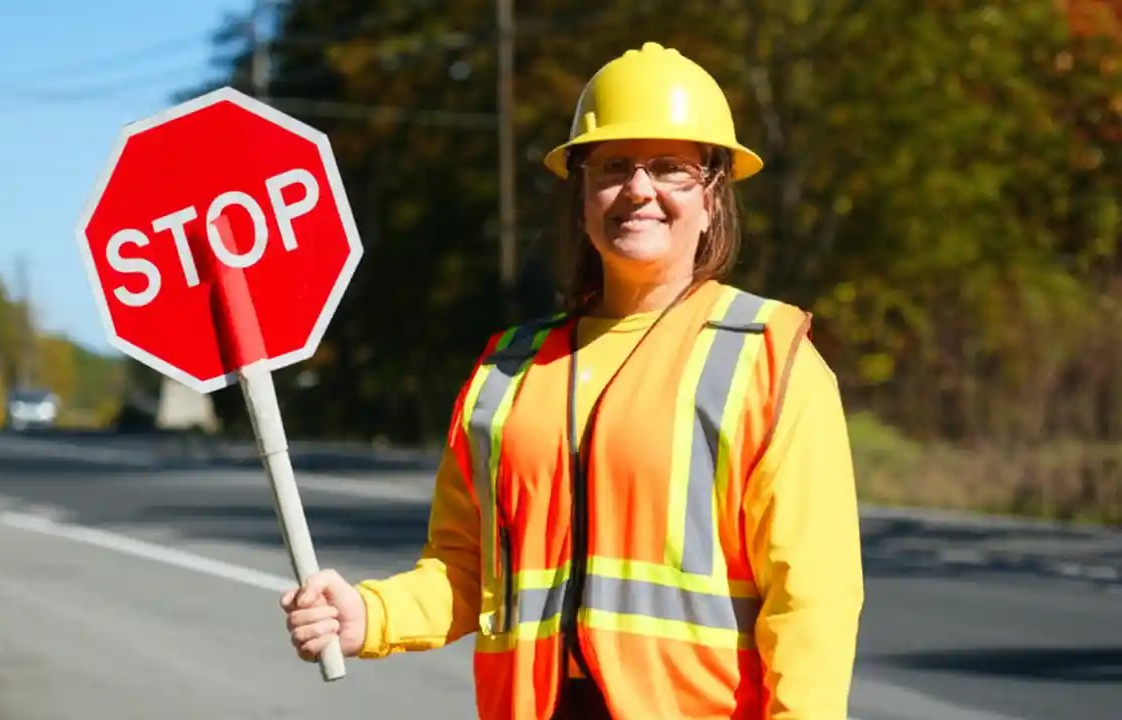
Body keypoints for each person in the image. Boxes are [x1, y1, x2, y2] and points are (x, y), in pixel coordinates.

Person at [280, 41, 864, 719]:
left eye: (672, 169)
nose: (639, 189)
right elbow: (467, 570)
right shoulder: (509, 370)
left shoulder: (767, 359)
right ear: (581, 194)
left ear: (712, 198)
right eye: (614, 166)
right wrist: (368, 615)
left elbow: (812, 600)